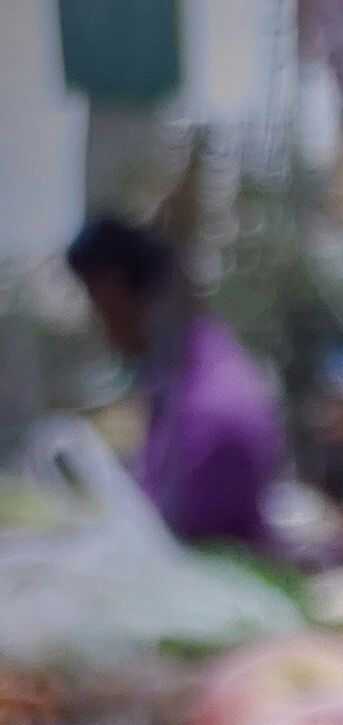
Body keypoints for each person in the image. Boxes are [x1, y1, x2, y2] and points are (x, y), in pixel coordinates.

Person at [64, 213, 285, 552]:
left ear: (115, 292)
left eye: (100, 308)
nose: (102, 328)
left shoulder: (208, 410)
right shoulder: (190, 373)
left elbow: (170, 541)